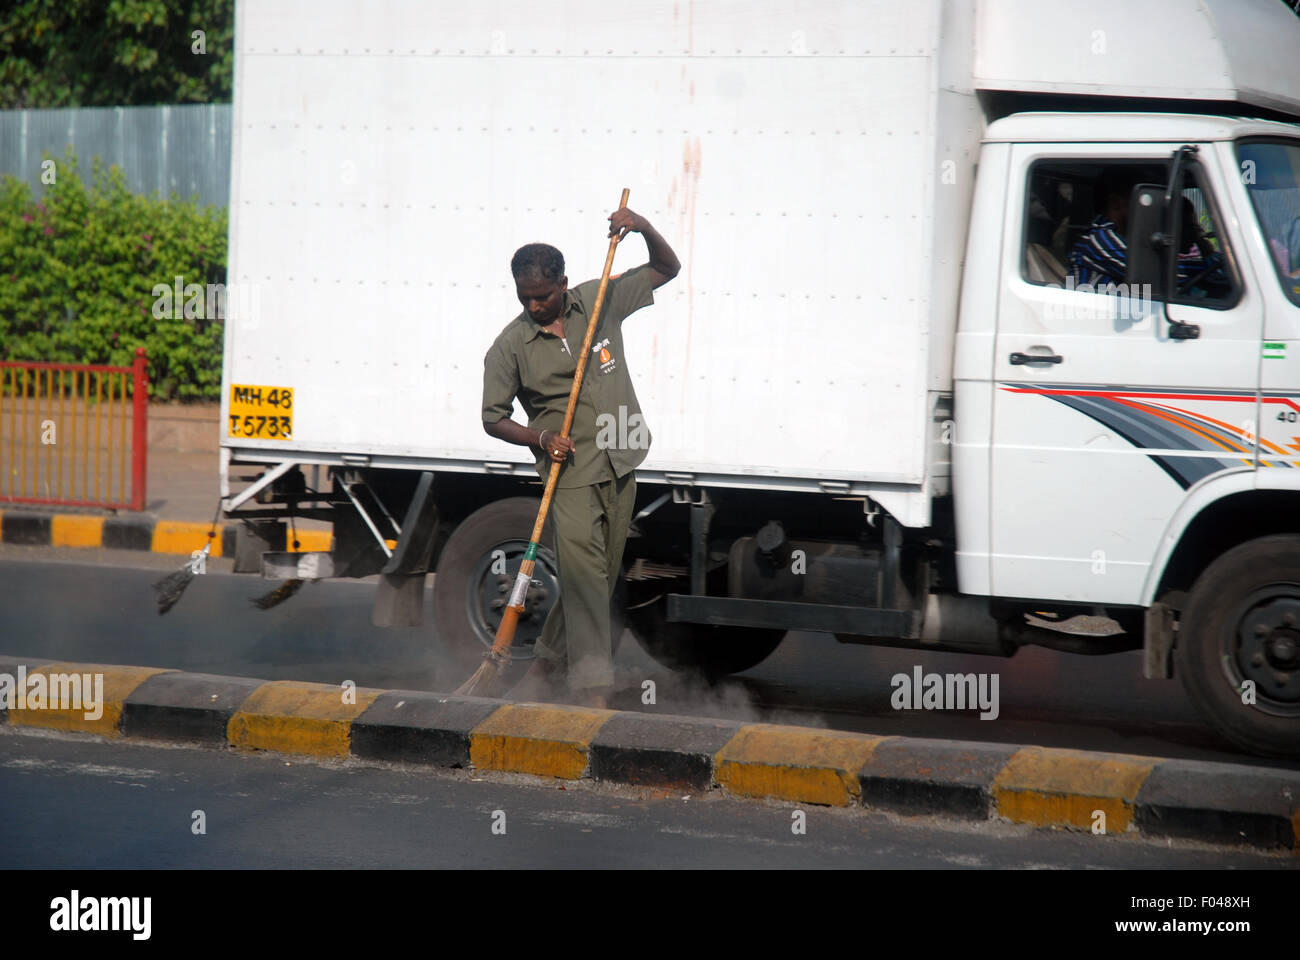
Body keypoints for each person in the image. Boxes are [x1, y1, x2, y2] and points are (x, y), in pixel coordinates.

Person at [480, 207, 680, 708]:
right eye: (525, 297)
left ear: (563, 285)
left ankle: (544, 666)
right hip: (567, 474)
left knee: (600, 578)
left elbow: (667, 269)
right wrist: (540, 438)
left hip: (622, 455)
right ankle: (593, 691)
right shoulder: (510, 346)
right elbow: (492, 417)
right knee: (586, 578)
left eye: (543, 296)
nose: (534, 305)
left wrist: (645, 230)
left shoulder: (597, 301)